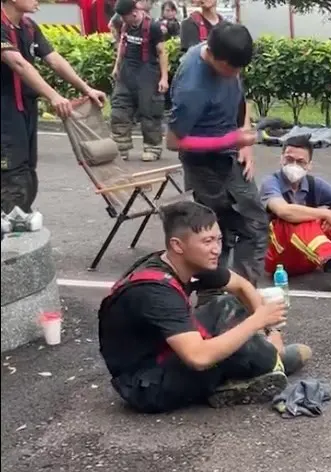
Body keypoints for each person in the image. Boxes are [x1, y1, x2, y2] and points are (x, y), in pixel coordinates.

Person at [98, 201, 312, 413]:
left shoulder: (182, 261)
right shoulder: (156, 292)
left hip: (160, 352)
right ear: (177, 245)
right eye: (207, 241)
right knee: (237, 346)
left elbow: (241, 286)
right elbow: (198, 358)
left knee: (227, 304)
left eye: (218, 240)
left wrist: (271, 330)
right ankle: (266, 363)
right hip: (147, 386)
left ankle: (265, 357)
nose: (216, 249)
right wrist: (257, 321)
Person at [167, 23, 269, 286]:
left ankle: (228, 296)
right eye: (231, 68)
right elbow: (173, 141)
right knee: (222, 232)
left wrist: (244, 140)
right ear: (212, 55)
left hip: (230, 153)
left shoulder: (226, 54)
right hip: (206, 166)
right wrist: (230, 139)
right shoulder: (192, 87)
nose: (235, 73)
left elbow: (239, 98)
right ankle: (229, 297)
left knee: (244, 227)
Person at [1, 0, 105, 214]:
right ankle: (12, 231)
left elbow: (54, 60)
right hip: (4, 111)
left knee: (28, 169)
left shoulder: (28, 26)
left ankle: (21, 220)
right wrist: (54, 96)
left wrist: (87, 89)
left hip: (25, 108)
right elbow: (18, 64)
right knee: (13, 171)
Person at [260, 136, 331, 290]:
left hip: (311, 256)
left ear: (309, 165)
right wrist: (324, 214)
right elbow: (284, 211)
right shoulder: (271, 182)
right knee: (298, 219)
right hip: (280, 259)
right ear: (281, 159)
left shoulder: (312, 183)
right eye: (289, 159)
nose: (294, 165)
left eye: (301, 161)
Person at [109, 0, 169, 162]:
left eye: (124, 16)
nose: (122, 19)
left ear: (134, 13)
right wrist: (117, 67)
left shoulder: (154, 27)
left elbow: (162, 52)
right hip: (127, 72)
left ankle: (152, 147)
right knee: (119, 109)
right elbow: (122, 45)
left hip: (147, 73)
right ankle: (121, 147)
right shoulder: (125, 26)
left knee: (149, 111)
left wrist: (164, 78)